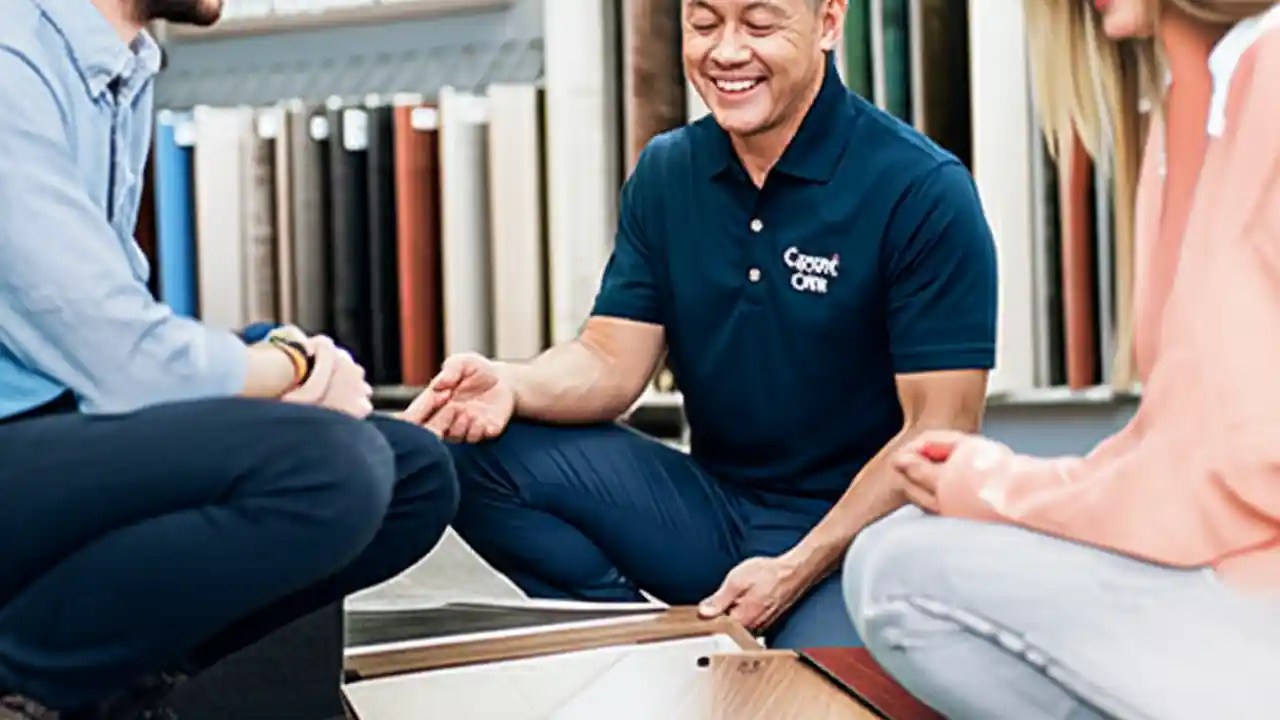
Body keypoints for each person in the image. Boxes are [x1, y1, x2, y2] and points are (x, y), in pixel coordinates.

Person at [402, 0, 997, 649]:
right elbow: (609, 360)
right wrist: (513, 384)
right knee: (466, 452)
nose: (727, 52)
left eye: (760, 24)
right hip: (715, 510)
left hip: (859, 541)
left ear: (828, 22)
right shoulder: (667, 171)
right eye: (704, 23)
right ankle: (644, 648)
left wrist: (795, 569)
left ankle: (741, 641)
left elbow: (937, 432)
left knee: (812, 697)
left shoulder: (921, 187)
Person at [0, 0, 459, 716]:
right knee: (329, 465)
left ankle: (107, 677)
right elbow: (121, 361)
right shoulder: (11, 60)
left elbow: (116, 321)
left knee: (414, 470)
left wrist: (260, 372)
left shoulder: (122, 68)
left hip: (57, 419)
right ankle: (29, 676)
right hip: (22, 430)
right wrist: (292, 366)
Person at [843, 0, 1280, 717]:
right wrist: (1018, 488)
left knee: (897, 574)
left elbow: (1238, 467)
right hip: (1233, 565)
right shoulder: (1193, 107)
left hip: (1257, 588)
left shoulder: (1269, 74)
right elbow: (1175, 439)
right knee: (901, 544)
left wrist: (1004, 491)